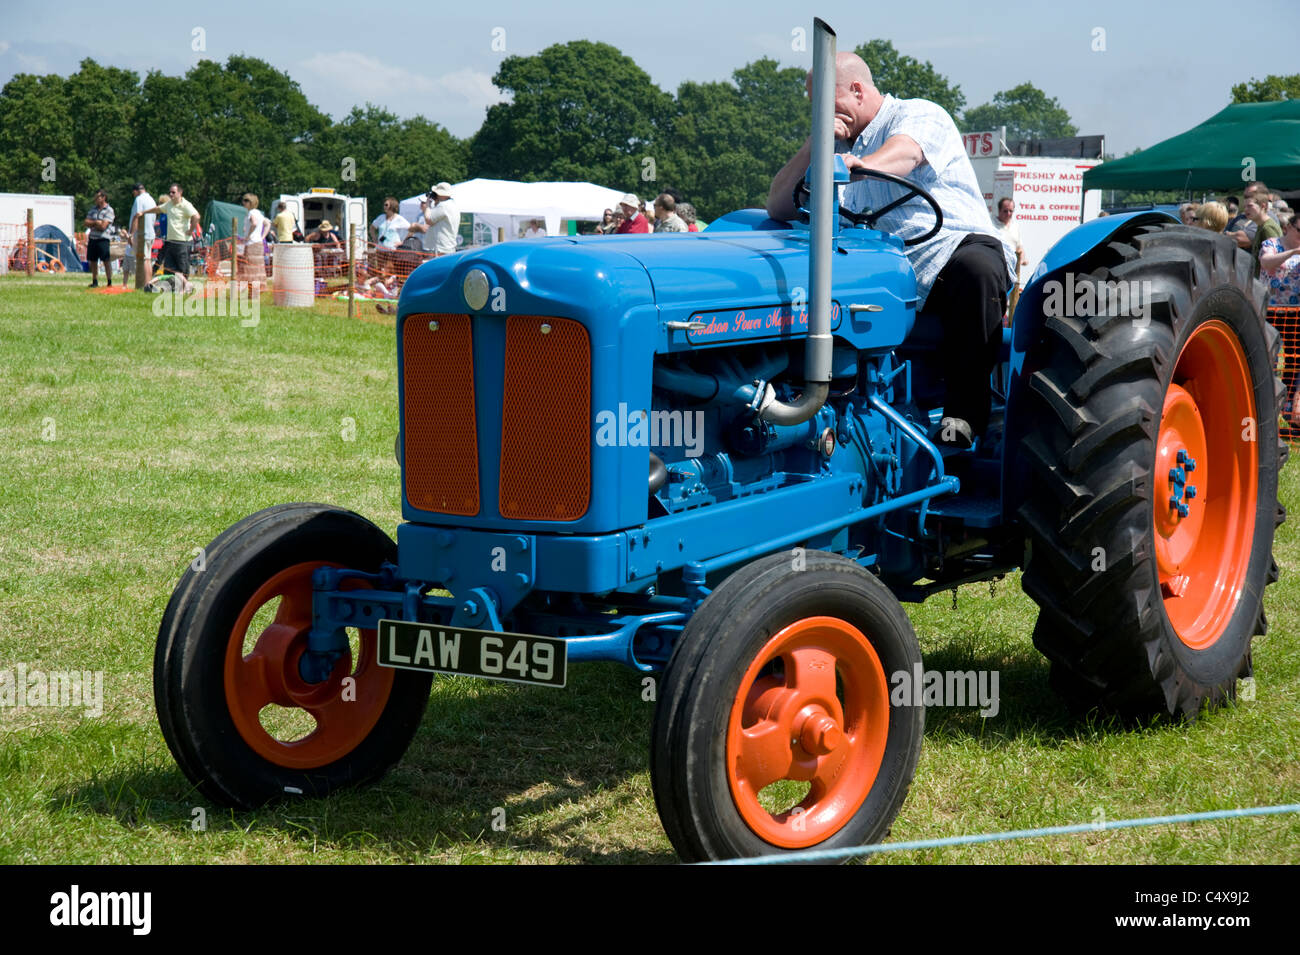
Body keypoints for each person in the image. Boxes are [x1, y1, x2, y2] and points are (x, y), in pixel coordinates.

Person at [767, 52, 1014, 448]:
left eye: (826, 108)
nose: (823, 118)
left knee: (977, 267)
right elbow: (778, 205)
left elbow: (907, 153)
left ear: (857, 90)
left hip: (945, 255)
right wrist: (816, 143)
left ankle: (964, 415)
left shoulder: (917, 114)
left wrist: (855, 165)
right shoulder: (830, 151)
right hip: (876, 277)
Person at [141, 184, 201, 291]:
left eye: (173, 192)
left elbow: (196, 216)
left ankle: (185, 288)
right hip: (170, 242)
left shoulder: (186, 205)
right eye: (170, 192)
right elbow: (158, 209)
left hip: (182, 243)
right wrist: (143, 212)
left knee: (182, 269)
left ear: (180, 193)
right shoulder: (169, 204)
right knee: (169, 268)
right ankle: (175, 287)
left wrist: (191, 230)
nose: (171, 194)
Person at [1237, 194, 1282, 278]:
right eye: (1245, 206)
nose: (1246, 210)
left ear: (1263, 206)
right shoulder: (1260, 226)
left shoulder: (1268, 228)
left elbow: (1275, 259)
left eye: (1250, 206)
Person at [83, 189, 115, 288]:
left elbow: (103, 227)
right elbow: (86, 222)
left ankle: (109, 282)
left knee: (106, 261)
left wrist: (93, 223)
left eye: (98, 197)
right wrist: (96, 222)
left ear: (104, 198)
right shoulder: (93, 209)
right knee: (93, 261)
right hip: (93, 238)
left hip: (103, 239)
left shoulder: (109, 210)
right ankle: (94, 281)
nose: (96, 199)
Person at [127, 183, 156, 285]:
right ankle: (148, 283)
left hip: (142, 235)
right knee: (147, 260)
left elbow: (137, 216)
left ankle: (145, 284)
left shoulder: (139, 199)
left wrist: (130, 234)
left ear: (135, 191)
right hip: (150, 233)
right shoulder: (151, 199)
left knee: (143, 260)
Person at [421, 182, 460, 255]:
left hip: (440, 249)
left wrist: (428, 205)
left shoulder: (443, 206)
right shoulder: (452, 204)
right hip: (447, 247)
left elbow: (428, 220)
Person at [240, 193, 269, 284]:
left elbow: (254, 223)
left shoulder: (251, 213)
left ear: (251, 202)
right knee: (258, 267)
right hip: (259, 243)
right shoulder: (259, 213)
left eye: (246, 200)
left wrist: (248, 236)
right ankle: (259, 288)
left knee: (250, 267)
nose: (243, 202)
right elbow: (268, 224)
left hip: (251, 243)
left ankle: (252, 290)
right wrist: (262, 237)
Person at [992, 197, 1026, 269]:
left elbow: (1019, 247)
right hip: (996, 265)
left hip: (1012, 268)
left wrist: (1022, 259)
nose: (1008, 214)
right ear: (999, 210)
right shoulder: (992, 224)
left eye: (1011, 211)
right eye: (1005, 211)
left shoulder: (1015, 226)